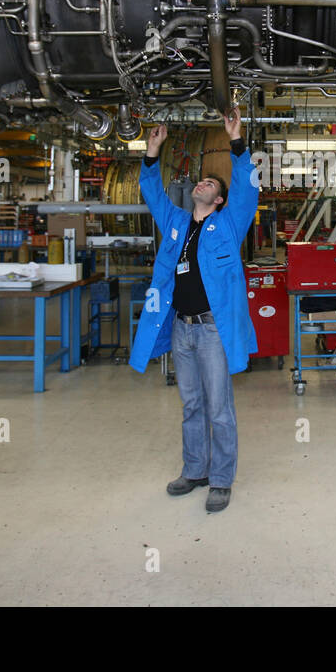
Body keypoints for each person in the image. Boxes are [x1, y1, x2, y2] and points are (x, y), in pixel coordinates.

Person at [128, 108, 259, 513]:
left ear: (218, 200)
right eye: (202, 179)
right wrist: (151, 152)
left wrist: (236, 141)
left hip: (212, 330)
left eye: (211, 184)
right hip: (182, 329)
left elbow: (248, 190)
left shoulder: (229, 224)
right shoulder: (177, 223)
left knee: (219, 406)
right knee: (191, 405)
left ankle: (221, 479)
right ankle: (195, 469)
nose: (203, 182)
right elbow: (151, 191)